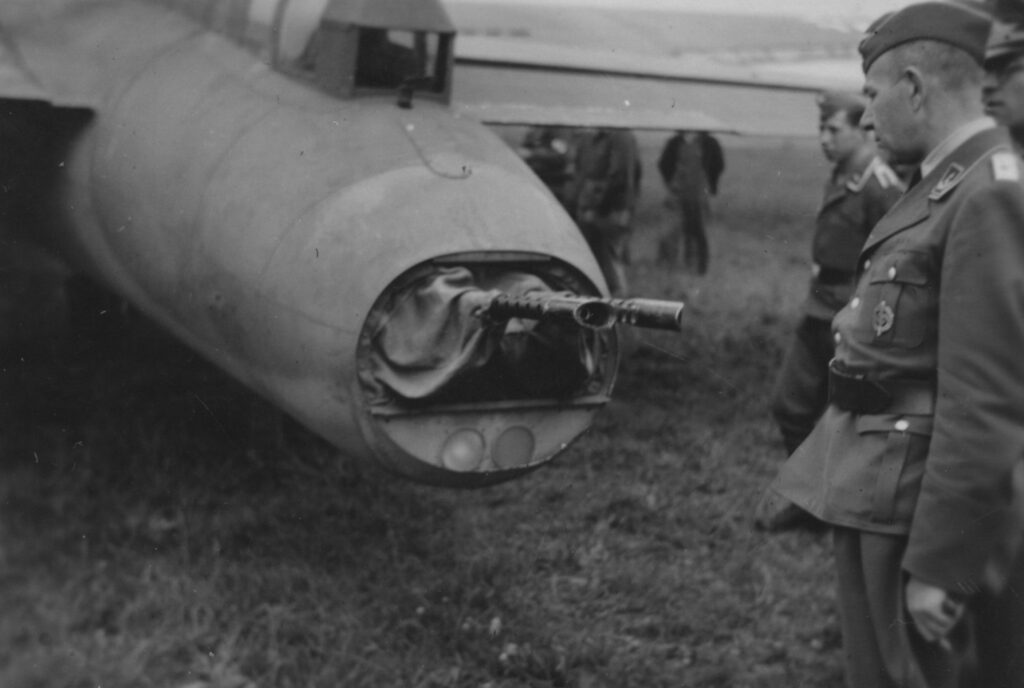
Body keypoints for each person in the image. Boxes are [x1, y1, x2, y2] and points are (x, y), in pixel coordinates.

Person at [765, 3, 1024, 687]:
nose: (868, 115)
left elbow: (988, 399)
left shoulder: (984, 193)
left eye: (874, 96)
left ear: (914, 87)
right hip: (881, 484)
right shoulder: (944, 185)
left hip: (914, 505)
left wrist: (941, 562)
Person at [769, 91, 903, 455]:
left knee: (852, 424)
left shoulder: (880, 185)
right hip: (818, 310)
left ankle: (828, 503)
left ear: (861, 130)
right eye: (820, 129)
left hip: (852, 318)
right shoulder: (842, 175)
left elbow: (896, 259)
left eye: (833, 129)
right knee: (789, 407)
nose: (824, 139)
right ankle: (805, 497)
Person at [568, 128, 640, 296]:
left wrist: (599, 208)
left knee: (611, 270)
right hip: (593, 212)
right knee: (596, 267)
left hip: (609, 213)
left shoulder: (621, 137)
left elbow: (621, 177)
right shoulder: (596, 137)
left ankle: (618, 313)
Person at [657, 131, 710, 274]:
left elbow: (715, 164)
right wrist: (672, 185)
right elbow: (664, 164)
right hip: (679, 195)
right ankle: (669, 266)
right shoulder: (675, 143)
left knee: (695, 234)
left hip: (696, 197)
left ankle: (695, 268)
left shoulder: (706, 142)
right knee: (671, 232)